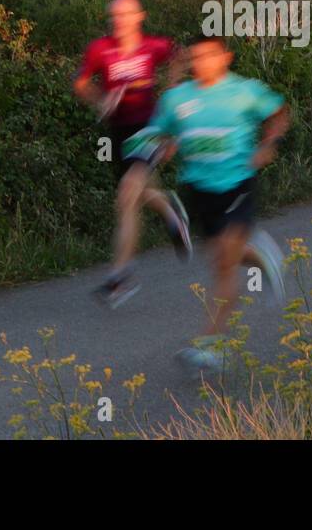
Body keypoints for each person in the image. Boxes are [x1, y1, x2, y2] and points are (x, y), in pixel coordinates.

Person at [121, 34, 291, 374]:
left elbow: (279, 114)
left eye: (209, 56)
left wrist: (268, 143)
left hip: (238, 183)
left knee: (223, 265)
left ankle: (211, 344)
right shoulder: (176, 99)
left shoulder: (245, 91)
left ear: (225, 57)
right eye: (195, 57)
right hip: (198, 188)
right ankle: (264, 258)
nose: (202, 63)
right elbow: (160, 136)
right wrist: (147, 162)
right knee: (224, 254)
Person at [75, 0, 191, 307]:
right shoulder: (100, 49)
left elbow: (182, 57)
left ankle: (120, 278)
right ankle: (172, 213)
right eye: (115, 15)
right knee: (138, 192)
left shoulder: (155, 46)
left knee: (127, 194)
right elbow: (81, 83)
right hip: (119, 131)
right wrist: (101, 100)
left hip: (150, 127)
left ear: (140, 16)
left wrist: (171, 94)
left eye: (126, 14)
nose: (120, 20)